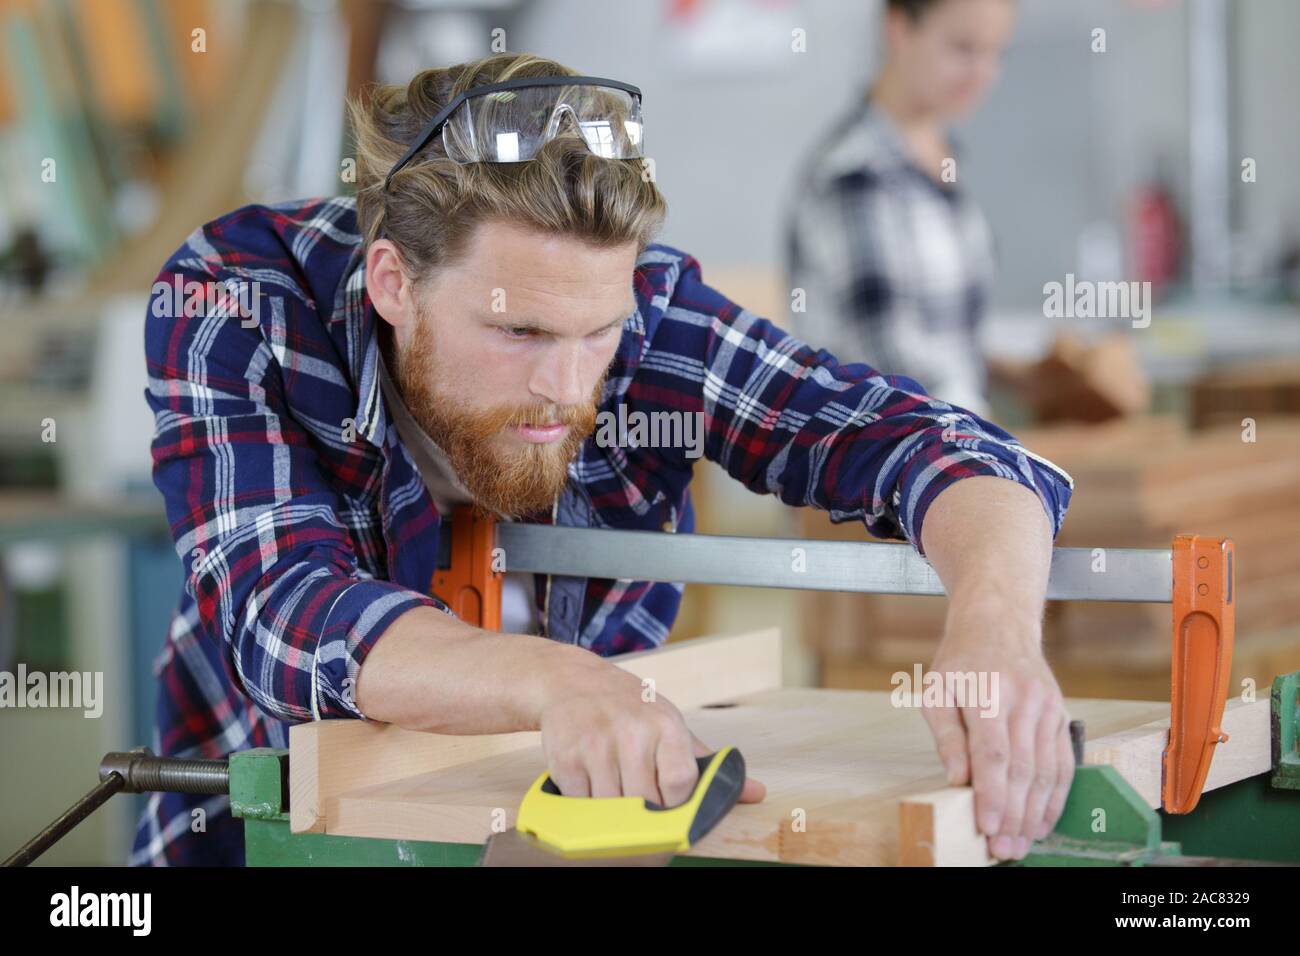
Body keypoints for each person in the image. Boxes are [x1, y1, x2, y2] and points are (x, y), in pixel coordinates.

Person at [135, 52, 1073, 866]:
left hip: (560, 837)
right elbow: (285, 609)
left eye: (599, 332)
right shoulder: (240, 300)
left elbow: (930, 443)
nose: (567, 385)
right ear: (393, 282)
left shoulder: (655, 320)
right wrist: (563, 681)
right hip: (256, 842)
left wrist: (993, 629)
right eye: (520, 330)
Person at [785, 0, 1016, 416]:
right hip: (888, 465)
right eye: (963, 48)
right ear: (898, 29)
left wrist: (1023, 380)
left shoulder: (941, 158)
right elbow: (896, 378)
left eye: (996, 53)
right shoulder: (856, 176)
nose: (984, 73)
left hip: (952, 448)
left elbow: (952, 344)